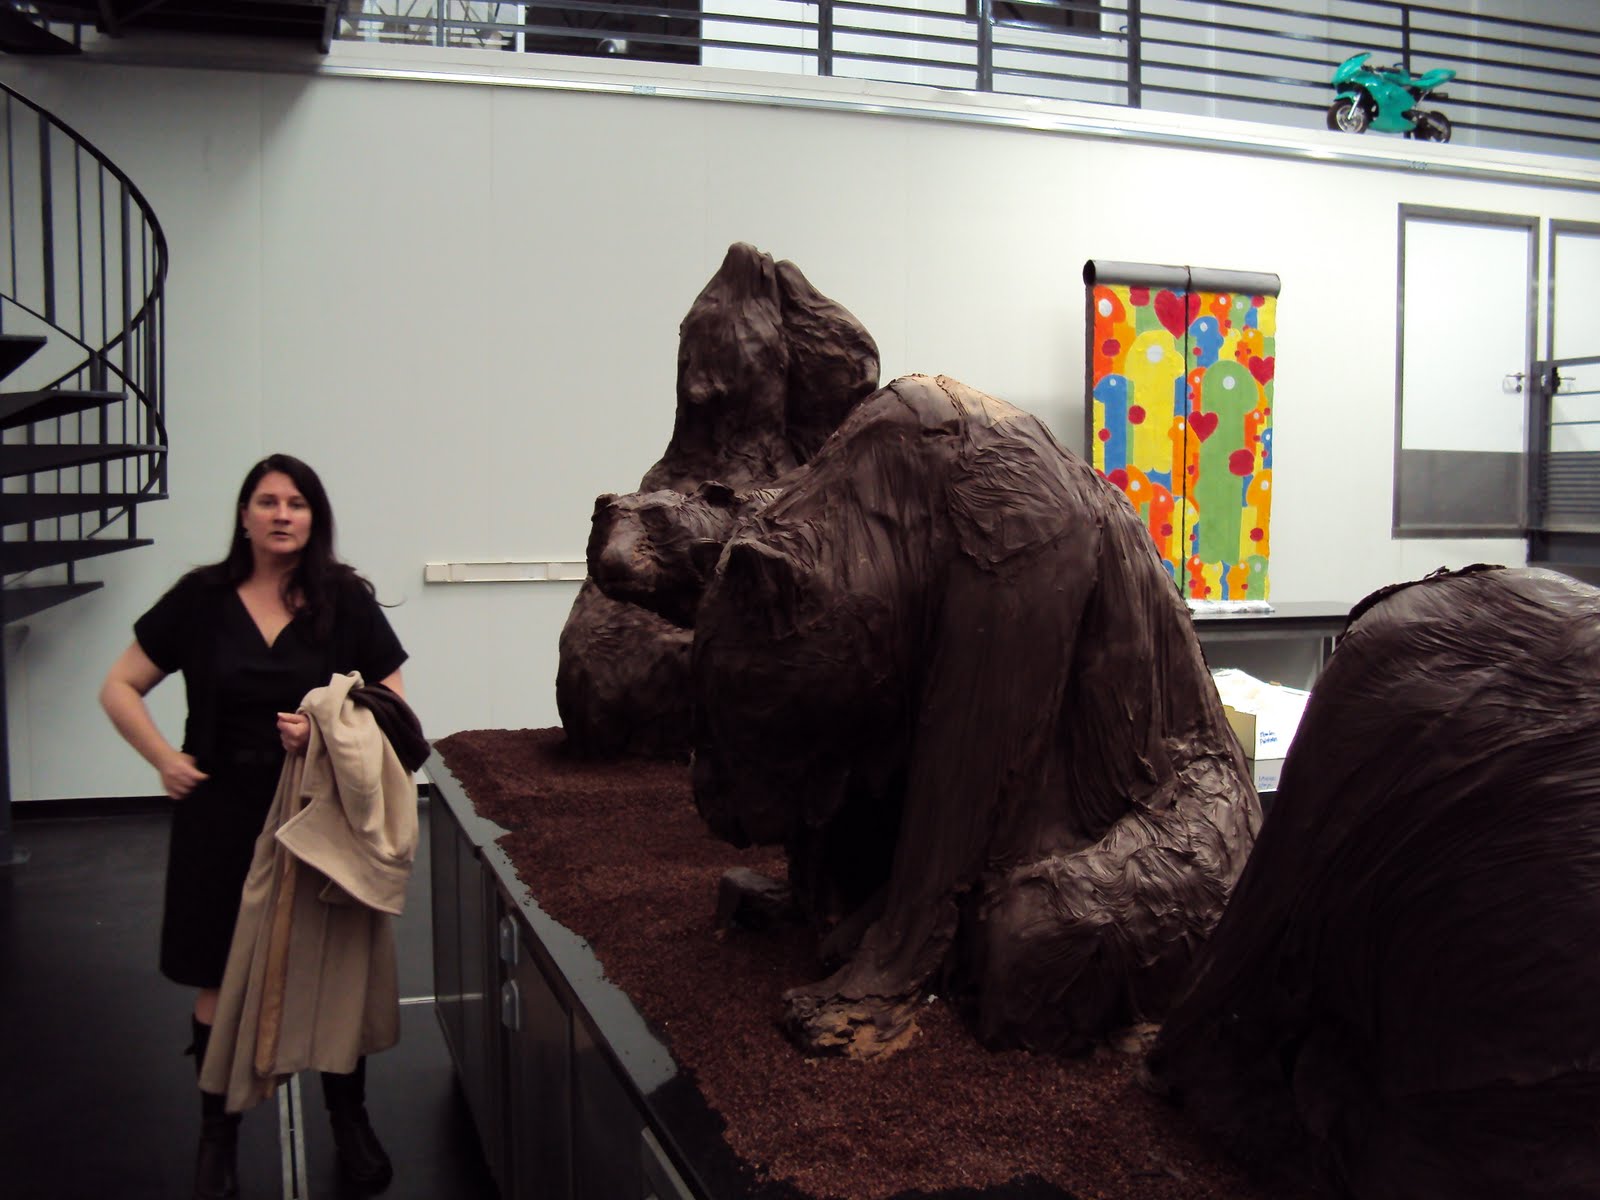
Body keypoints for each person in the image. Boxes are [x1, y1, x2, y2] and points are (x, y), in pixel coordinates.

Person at [99, 454, 408, 1199]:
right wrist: (163, 759)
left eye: (296, 502)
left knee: (332, 968)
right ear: (244, 515)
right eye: (266, 501)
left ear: (313, 517)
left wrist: (326, 734)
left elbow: (395, 706)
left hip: (316, 813)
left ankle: (350, 1121)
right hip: (220, 812)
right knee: (216, 973)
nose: (280, 514)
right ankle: (219, 1138)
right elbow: (120, 685)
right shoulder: (201, 599)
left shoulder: (346, 601)